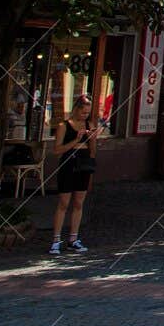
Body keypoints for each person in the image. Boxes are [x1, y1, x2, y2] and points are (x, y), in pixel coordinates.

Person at [49, 95, 97, 255]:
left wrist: (92, 139)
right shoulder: (64, 126)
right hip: (68, 163)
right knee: (63, 202)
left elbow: (92, 151)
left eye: (87, 113)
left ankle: (73, 239)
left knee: (78, 203)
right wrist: (75, 141)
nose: (85, 116)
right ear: (76, 109)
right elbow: (57, 150)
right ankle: (56, 240)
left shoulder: (89, 124)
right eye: (83, 112)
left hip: (83, 164)